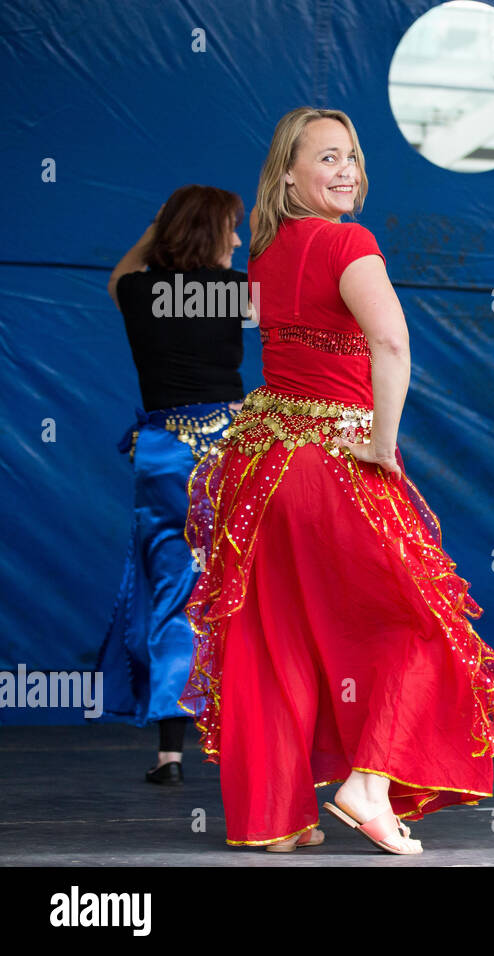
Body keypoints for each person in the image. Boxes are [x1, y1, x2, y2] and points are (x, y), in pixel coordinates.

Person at [182, 107, 494, 853]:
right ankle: (368, 784)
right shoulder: (350, 242)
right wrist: (383, 441)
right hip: (336, 462)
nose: (346, 171)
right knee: (419, 626)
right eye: (328, 158)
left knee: (276, 639)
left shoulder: (269, 255)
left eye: (352, 157)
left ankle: (273, 820)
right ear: (290, 175)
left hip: (263, 466)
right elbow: (392, 342)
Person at [97, 185, 248, 785]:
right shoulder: (237, 294)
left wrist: (156, 229)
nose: (238, 239)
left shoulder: (139, 293)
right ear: (212, 233)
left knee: (170, 593)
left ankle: (170, 753)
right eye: (231, 229)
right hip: (226, 450)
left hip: (163, 452)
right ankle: (251, 737)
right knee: (237, 589)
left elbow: (120, 278)